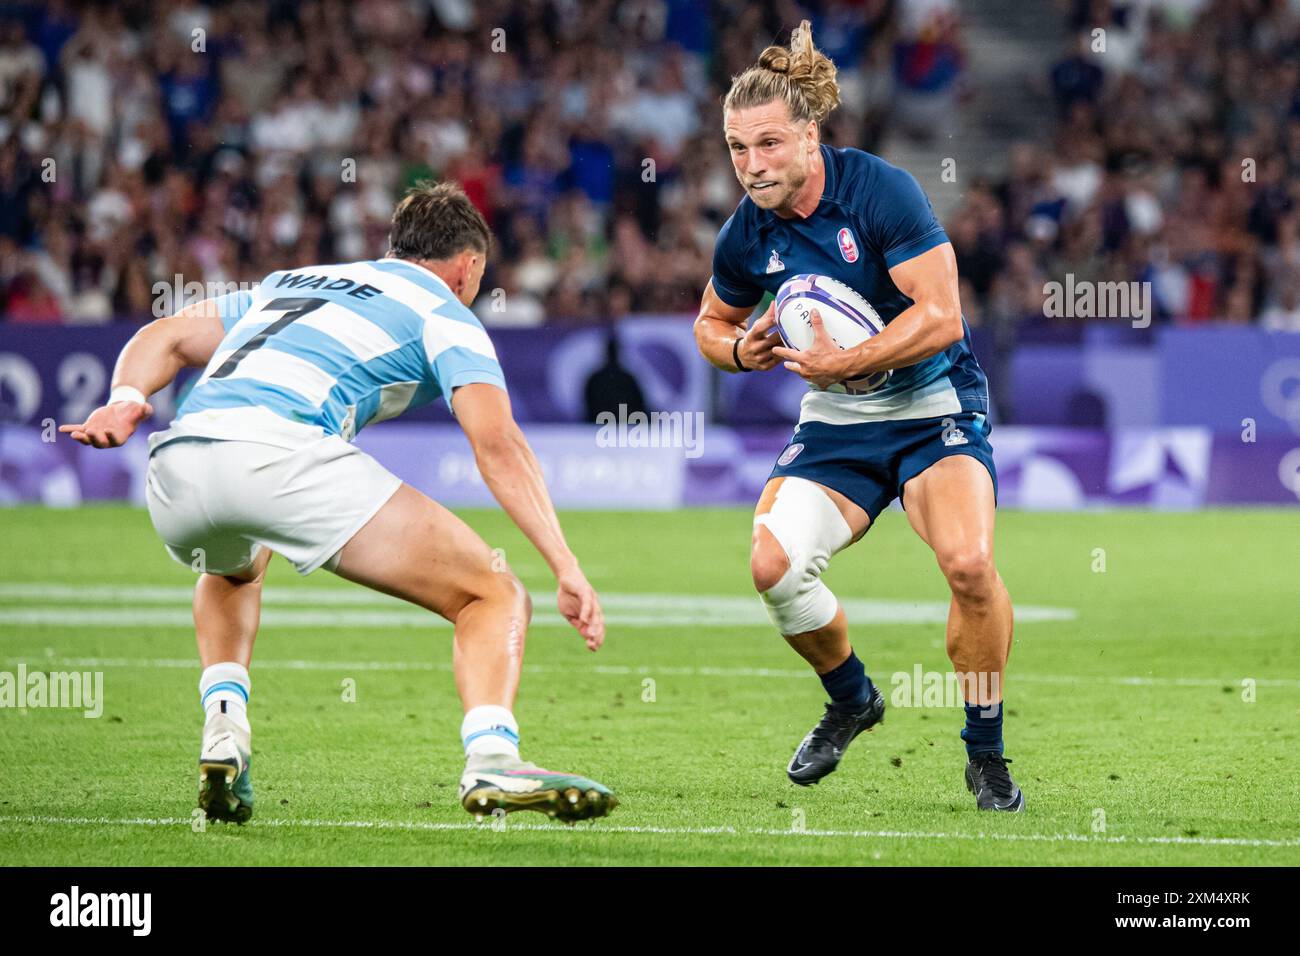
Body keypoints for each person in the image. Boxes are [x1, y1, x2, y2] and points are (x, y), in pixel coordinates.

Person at [61, 181, 617, 824]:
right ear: (468, 269)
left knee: (236, 565)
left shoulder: (294, 281)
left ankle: (224, 728)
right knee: (491, 592)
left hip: (179, 465)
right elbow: (498, 445)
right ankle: (494, 756)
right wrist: (564, 564)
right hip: (278, 453)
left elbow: (165, 334)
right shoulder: (446, 312)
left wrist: (128, 397)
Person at [693, 22, 1022, 811]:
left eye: (769, 144)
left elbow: (942, 315)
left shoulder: (880, 190)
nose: (752, 165)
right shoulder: (747, 231)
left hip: (932, 402)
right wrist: (742, 351)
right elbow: (708, 325)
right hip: (838, 420)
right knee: (773, 568)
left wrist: (846, 362)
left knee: (969, 565)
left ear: (810, 136)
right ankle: (852, 699)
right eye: (738, 149)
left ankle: (986, 752)